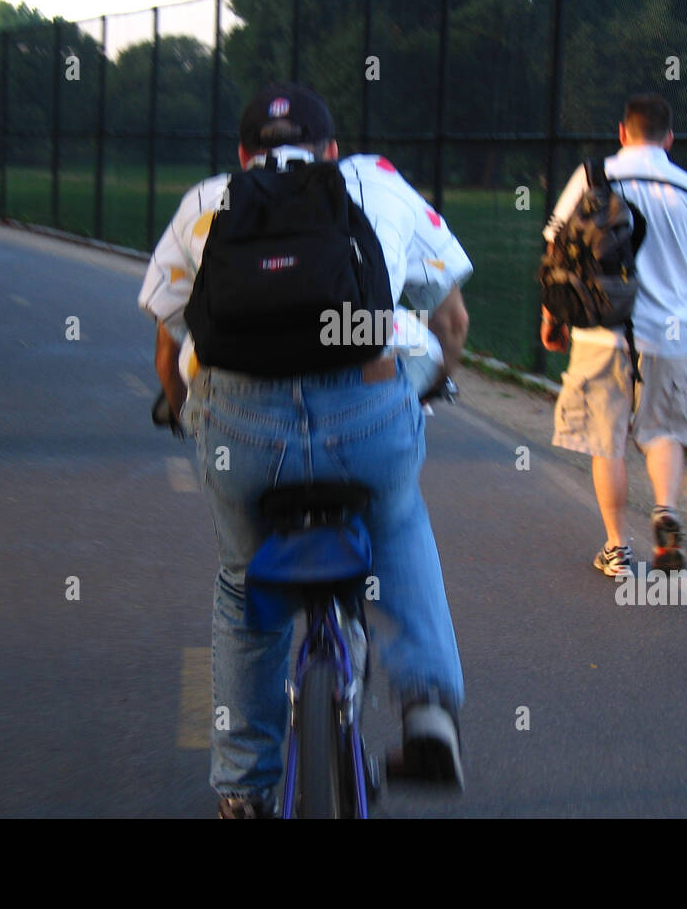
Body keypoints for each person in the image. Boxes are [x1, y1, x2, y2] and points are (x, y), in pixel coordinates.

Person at [138, 82, 473, 817]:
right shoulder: (375, 183)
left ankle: (243, 786)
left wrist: (181, 406)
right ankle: (427, 712)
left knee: (242, 584)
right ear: (331, 148)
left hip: (246, 433)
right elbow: (450, 315)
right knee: (400, 523)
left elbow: (169, 338)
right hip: (365, 414)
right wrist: (438, 380)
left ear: (242, 153)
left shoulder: (208, 201)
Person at [541, 94, 687, 577]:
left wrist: (552, 317)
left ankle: (617, 548)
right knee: (664, 431)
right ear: (669, 138)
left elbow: (558, 250)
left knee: (608, 440)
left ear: (623, 132)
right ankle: (665, 512)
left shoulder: (593, 175)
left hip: (601, 329)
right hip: (668, 334)